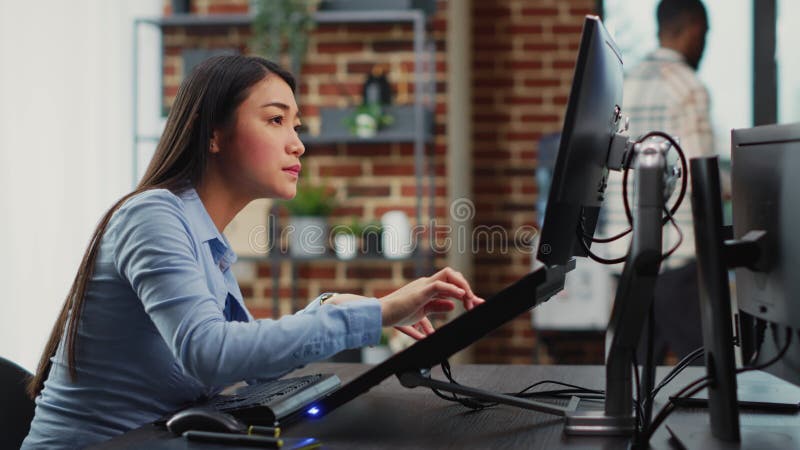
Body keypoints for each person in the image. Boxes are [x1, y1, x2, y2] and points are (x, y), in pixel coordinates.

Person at [22, 55, 483, 449]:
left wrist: (329, 306)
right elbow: (209, 353)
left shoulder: (207, 239)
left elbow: (249, 365)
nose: (298, 144)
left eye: (295, 125)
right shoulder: (153, 216)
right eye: (275, 120)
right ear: (213, 134)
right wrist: (377, 313)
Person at [604, 0, 713, 364]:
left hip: (626, 253)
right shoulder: (687, 87)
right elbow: (700, 178)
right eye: (706, 36)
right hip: (676, 256)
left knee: (631, 372)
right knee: (704, 370)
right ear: (694, 29)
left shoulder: (623, 84)